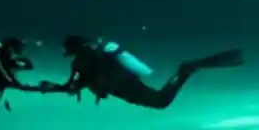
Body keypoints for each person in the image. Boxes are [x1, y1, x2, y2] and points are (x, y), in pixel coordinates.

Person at [38, 35, 242, 110]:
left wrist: (52, 87)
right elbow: (78, 84)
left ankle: (185, 68)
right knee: (160, 101)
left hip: (126, 87)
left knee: (161, 101)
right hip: (126, 85)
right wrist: (54, 87)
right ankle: (186, 69)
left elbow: (74, 85)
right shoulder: (92, 57)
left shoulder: (82, 62)